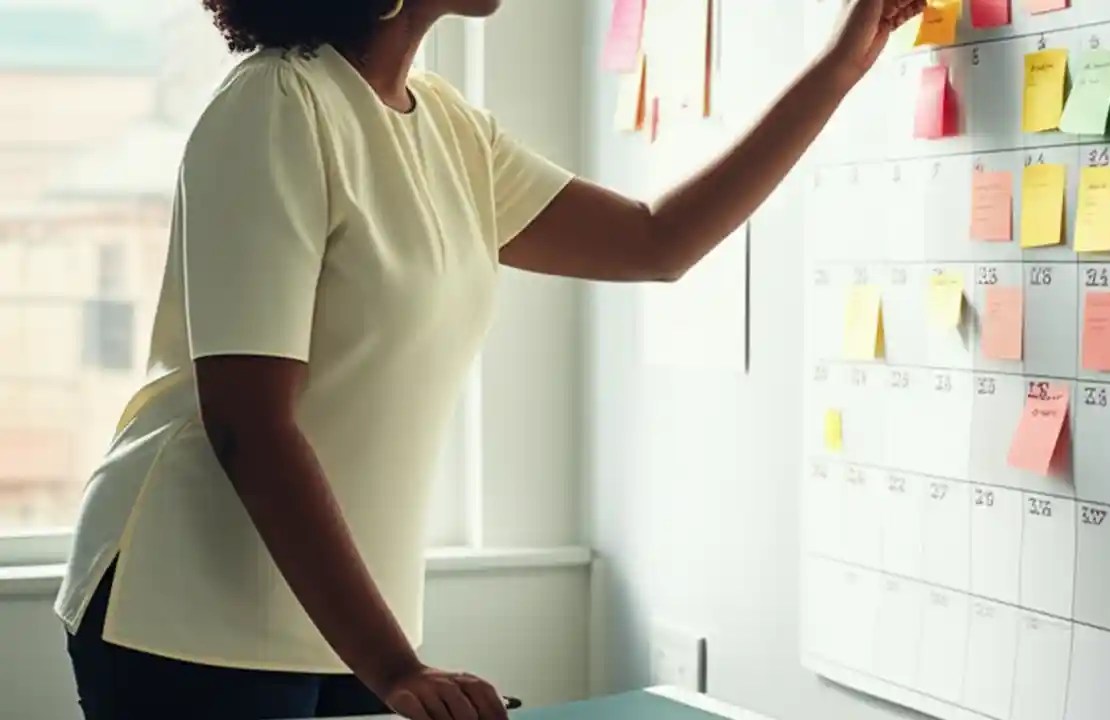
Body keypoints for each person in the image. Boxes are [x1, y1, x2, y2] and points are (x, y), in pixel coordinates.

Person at [54, 0, 925, 718]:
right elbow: (249, 423)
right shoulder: (277, 106)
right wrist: (396, 665)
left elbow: (660, 241)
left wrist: (841, 66)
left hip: (338, 625)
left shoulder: (448, 128)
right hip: (188, 609)